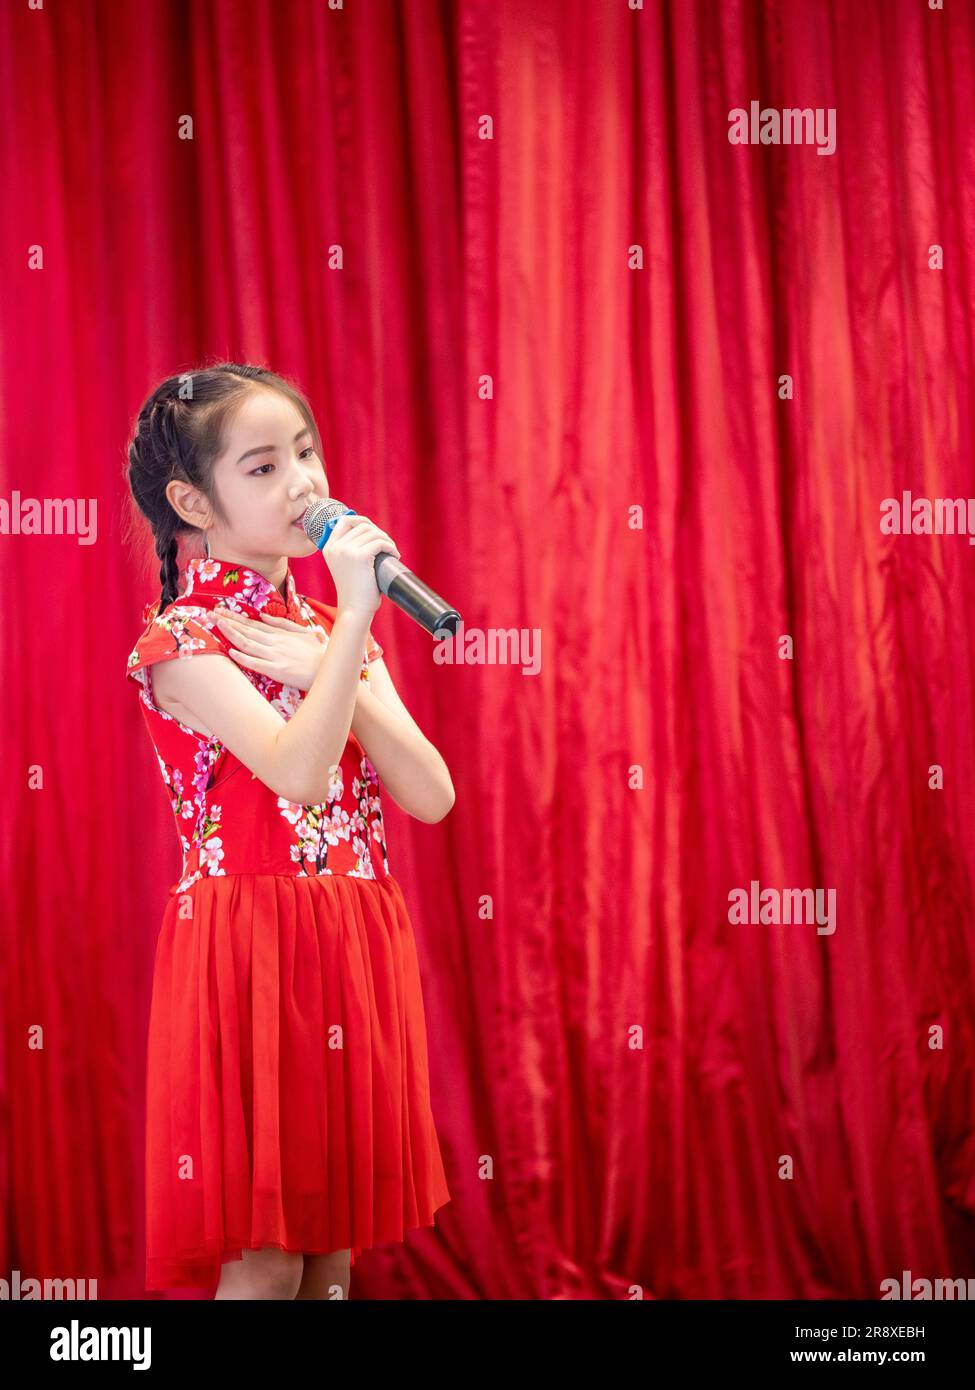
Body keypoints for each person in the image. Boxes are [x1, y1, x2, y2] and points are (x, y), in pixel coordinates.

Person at [124, 362, 453, 1299]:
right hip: (250, 944)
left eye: (304, 452)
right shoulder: (182, 642)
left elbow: (429, 794)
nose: (303, 481)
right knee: (266, 1262)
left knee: (329, 1254)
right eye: (263, 467)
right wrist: (351, 625)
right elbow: (300, 777)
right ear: (193, 500)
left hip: (351, 932)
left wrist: (337, 655)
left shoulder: (323, 632)